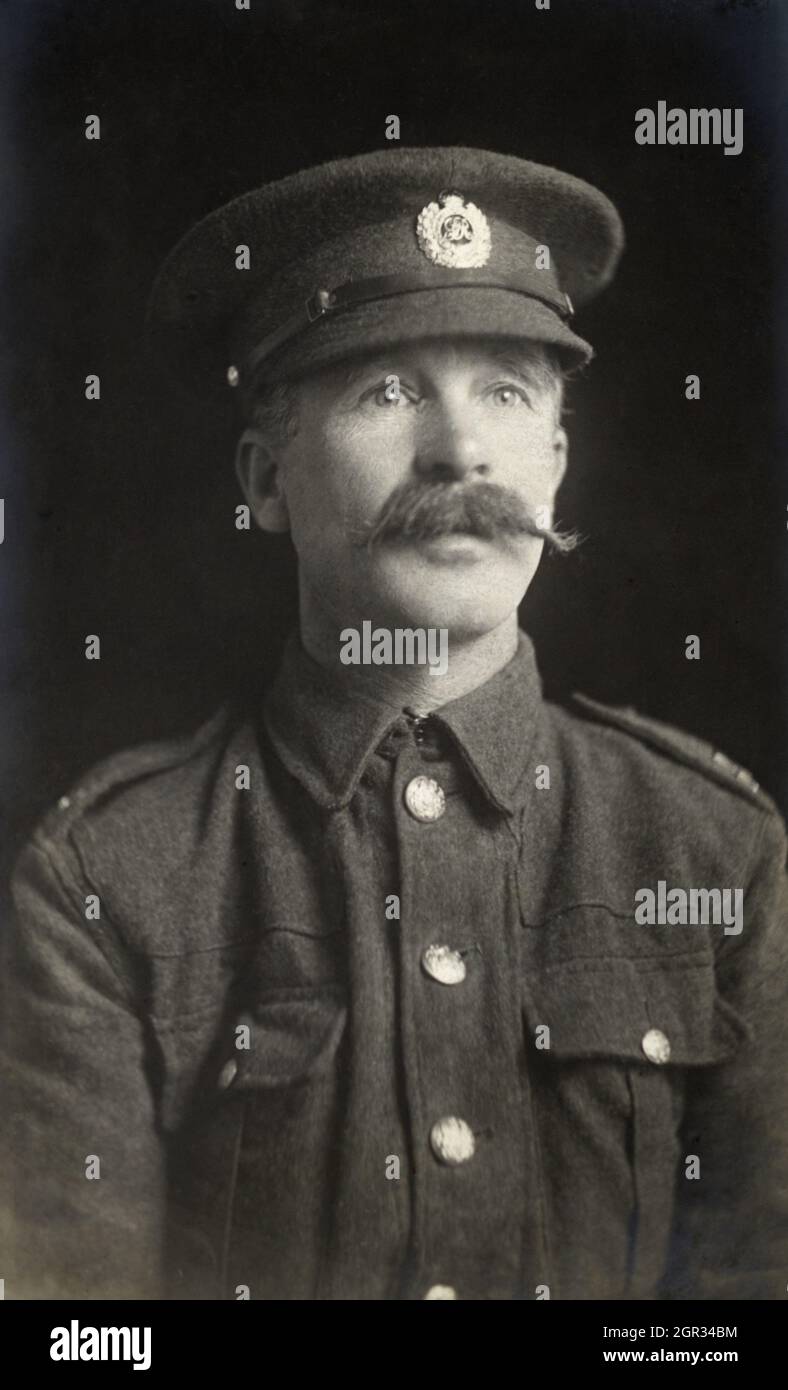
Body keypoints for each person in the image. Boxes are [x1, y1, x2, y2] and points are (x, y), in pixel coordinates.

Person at [3, 146, 787, 1301]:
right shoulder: (106, 879)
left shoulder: (713, 850)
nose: (459, 450)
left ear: (554, 470)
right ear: (265, 480)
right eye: (387, 388)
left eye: (505, 393)